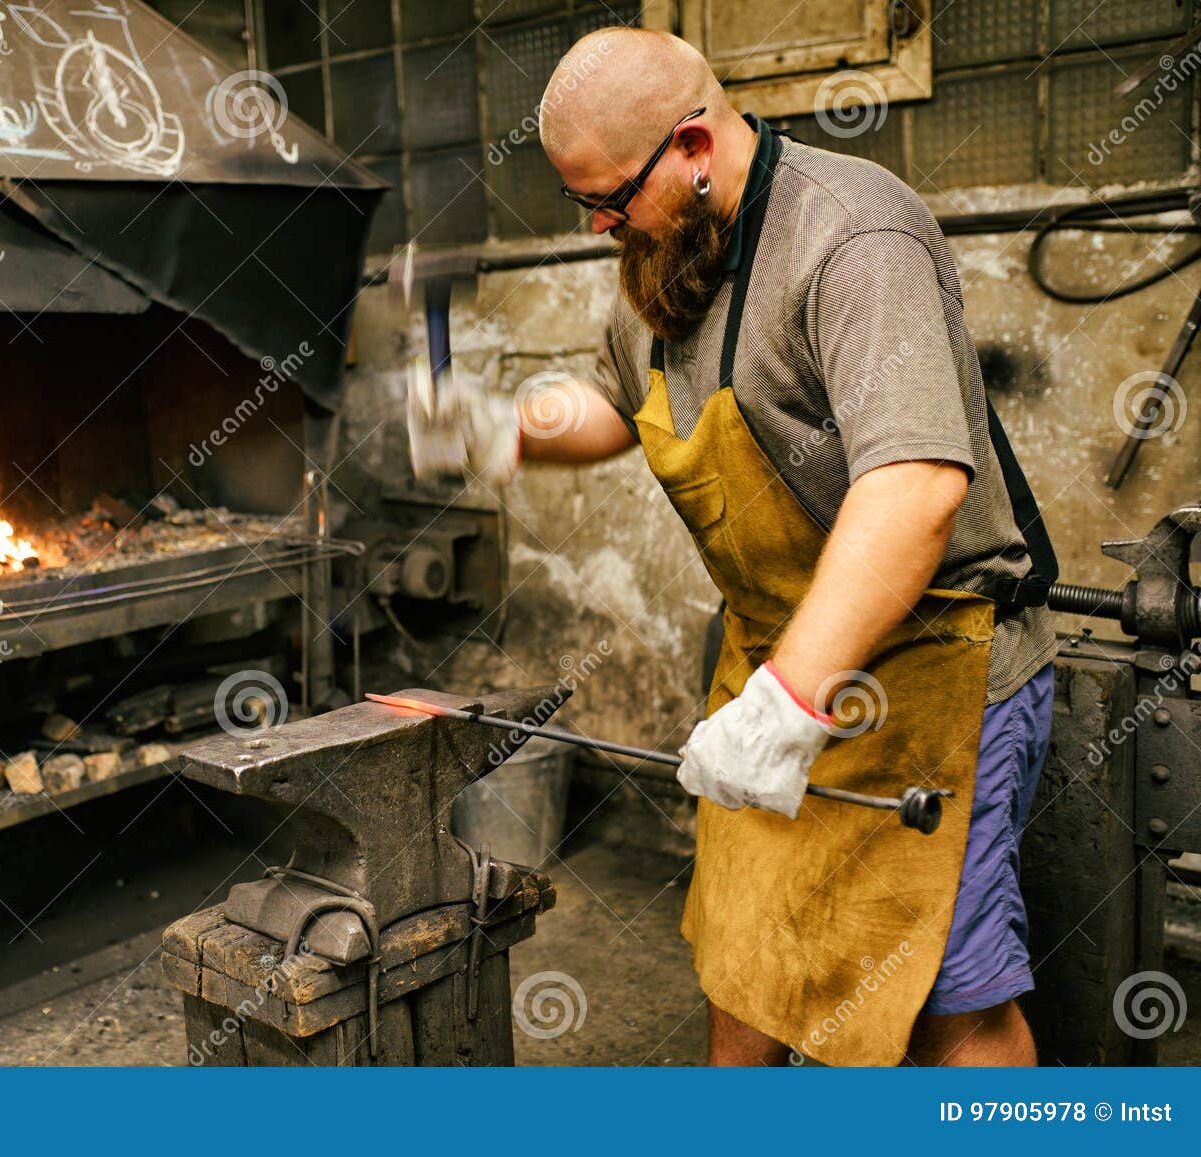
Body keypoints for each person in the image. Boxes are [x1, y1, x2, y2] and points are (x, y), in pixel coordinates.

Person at [407, 28, 1058, 1067]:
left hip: (935, 669)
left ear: (694, 144)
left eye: (609, 199)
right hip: (772, 664)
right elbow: (620, 404)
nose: (596, 223)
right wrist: (503, 424)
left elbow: (915, 487)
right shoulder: (670, 246)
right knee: (741, 953)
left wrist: (788, 701)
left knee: (943, 994)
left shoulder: (854, 235)